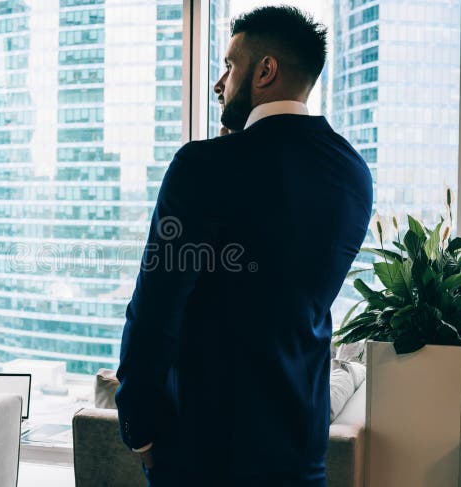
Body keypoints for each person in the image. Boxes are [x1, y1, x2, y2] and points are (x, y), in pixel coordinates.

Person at [115, 6, 373, 486]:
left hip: (203, 450)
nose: (220, 83)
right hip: (299, 447)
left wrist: (139, 429)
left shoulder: (203, 166)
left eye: (230, 66)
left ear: (266, 70)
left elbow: (156, 306)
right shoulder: (353, 174)